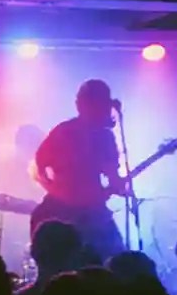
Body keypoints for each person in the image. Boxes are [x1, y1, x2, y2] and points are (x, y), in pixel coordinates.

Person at [29, 79, 127, 262]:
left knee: (111, 254)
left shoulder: (100, 136)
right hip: (71, 210)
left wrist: (118, 186)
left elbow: (112, 176)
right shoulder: (68, 132)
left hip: (83, 208)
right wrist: (57, 191)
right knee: (115, 258)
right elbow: (38, 165)